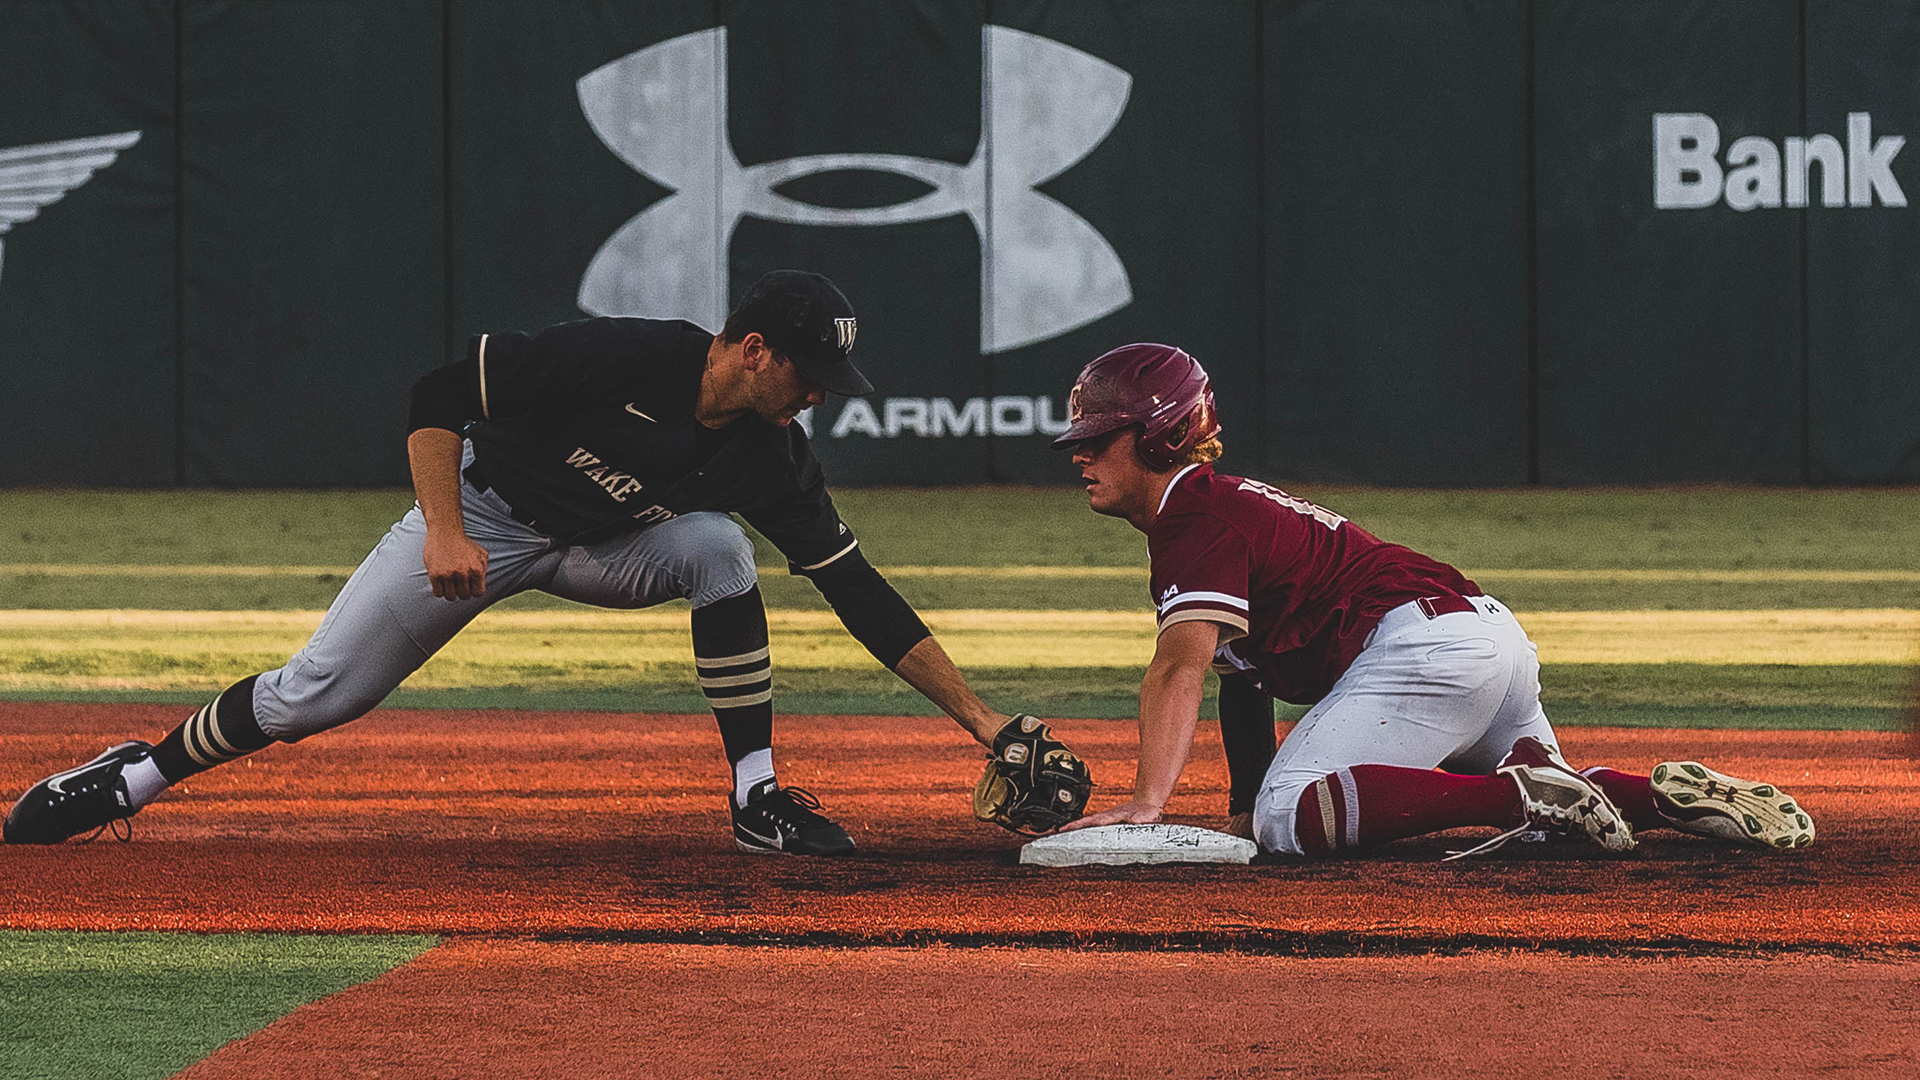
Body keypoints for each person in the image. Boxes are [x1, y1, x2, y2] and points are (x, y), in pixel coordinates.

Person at [6, 270, 1083, 855]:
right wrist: (442, 527)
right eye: (806, 374)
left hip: (596, 550)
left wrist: (981, 721)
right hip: (481, 511)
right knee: (314, 695)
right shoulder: (628, 355)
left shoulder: (772, 456)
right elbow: (439, 397)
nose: (815, 396)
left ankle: (757, 798)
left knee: (716, 549)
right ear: (752, 348)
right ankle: (131, 776)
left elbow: (858, 590)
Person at [1050, 343, 1815, 858]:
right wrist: (1244, 803)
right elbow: (1239, 678)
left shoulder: (1195, 517)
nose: (1080, 452)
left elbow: (1176, 670)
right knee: (1558, 826)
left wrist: (1150, 803)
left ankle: (1513, 795)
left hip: (1423, 651)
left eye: (1101, 435)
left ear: (1161, 436)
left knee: (1295, 820)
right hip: (1485, 641)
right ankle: (1658, 799)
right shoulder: (1214, 508)